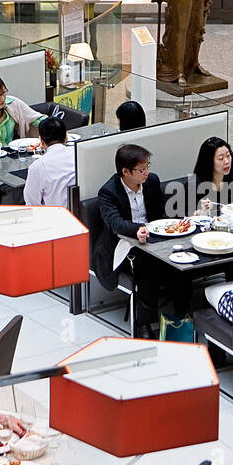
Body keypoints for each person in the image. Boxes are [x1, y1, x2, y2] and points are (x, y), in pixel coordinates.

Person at [94, 145, 165, 338]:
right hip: (121, 244)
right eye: (141, 170)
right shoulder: (108, 192)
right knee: (147, 266)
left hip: (152, 237)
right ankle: (144, 325)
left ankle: (180, 315)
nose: (146, 173)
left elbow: (160, 214)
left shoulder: (152, 182)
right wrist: (137, 230)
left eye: (147, 167)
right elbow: (115, 224)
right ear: (125, 172)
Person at [23, 115, 74, 209]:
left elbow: (31, 204)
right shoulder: (78, 154)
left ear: (41, 141)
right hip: (84, 215)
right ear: (66, 137)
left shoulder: (37, 167)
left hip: (54, 218)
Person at [193, 136, 233, 209]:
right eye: (221, 158)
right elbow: (181, 216)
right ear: (209, 162)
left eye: (228, 156)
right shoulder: (195, 185)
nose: (227, 161)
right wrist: (199, 212)